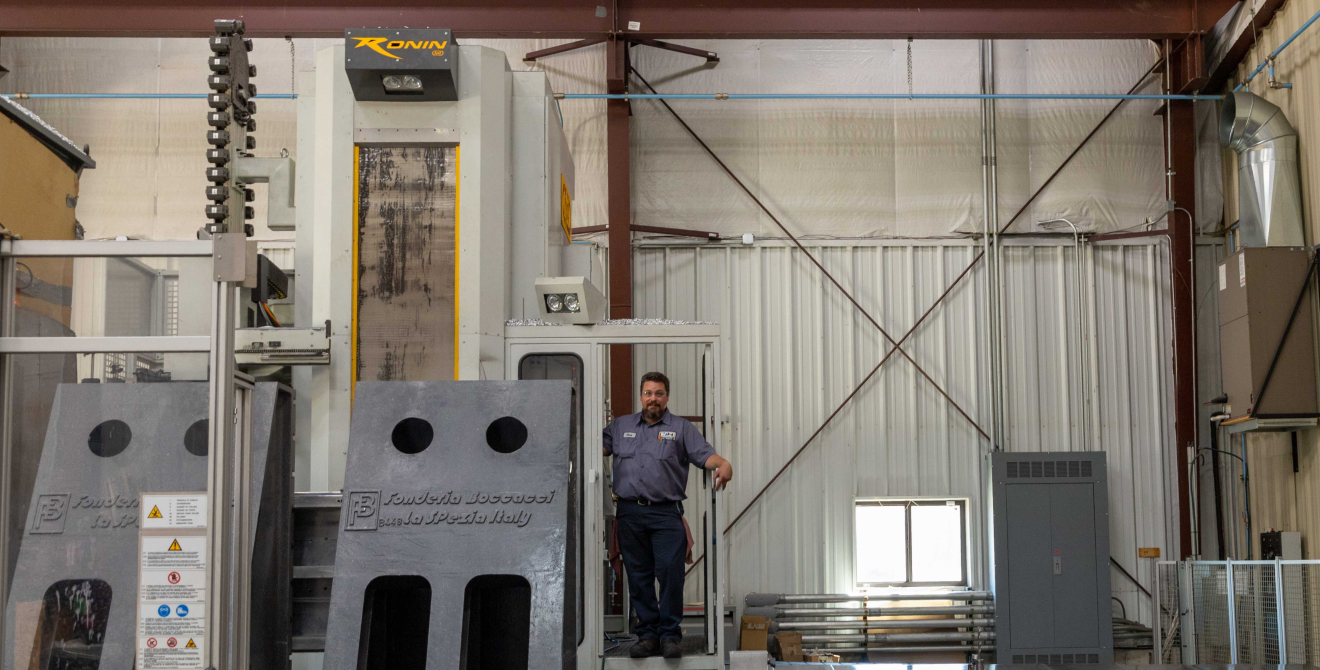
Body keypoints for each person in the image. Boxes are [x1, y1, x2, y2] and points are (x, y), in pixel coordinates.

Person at [603, 371, 733, 659]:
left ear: (667, 397)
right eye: (648, 393)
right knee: (638, 577)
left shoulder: (681, 428)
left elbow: (704, 456)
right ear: (641, 396)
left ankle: (670, 635)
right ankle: (647, 635)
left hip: (666, 516)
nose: (653, 398)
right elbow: (592, 449)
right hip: (629, 514)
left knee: (671, 575)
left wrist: (723, 463)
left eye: (659, 393)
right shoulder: (619, 427)